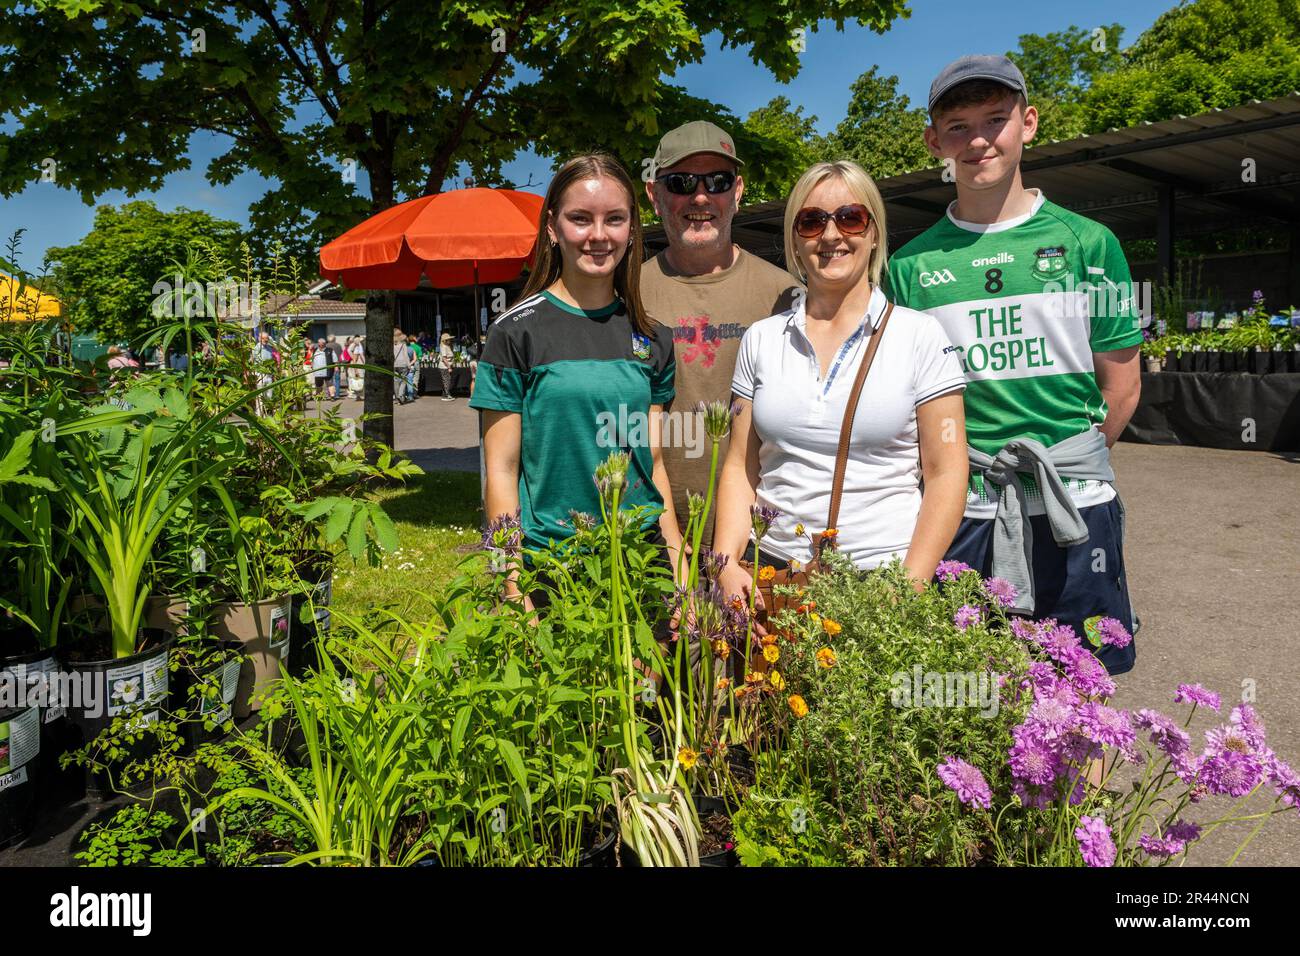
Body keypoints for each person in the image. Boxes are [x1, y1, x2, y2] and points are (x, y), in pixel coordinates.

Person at [886, 55, 1143, 675]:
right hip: (966, 511)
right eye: (957, 126)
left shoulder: (1090, 243)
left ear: (1027, 123)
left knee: (1084, 700)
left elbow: (1123, 387)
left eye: (995, 119)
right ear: (933, 141)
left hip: (1074, 506)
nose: (978, 139)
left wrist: (1056, 467)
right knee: (970, 693)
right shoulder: (909, 266)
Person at [713, 160, 968, 606]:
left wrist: (912, 581)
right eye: (811, 222)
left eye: (851, 217)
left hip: (883, 579)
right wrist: (726, 562)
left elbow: (947, 473)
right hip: (772, 572)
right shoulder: (762, 338)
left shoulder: (919, 336)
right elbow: (740, 465)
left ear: (873, 233)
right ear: (795, 239)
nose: (831, 235)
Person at [471, 153, 679, 611]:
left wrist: (678, 568)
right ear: (552, 227)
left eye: (615, 219)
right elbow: (502, 473)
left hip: (642, 562)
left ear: (632, 230)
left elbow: (654, 464)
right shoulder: (514, 333)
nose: (598, 235)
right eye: (580, 219)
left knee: (649, 685)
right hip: (552, 565)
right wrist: (512, 586)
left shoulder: (654, 338)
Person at [640, 120, 802, 552]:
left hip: (762, 539)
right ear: (654, 195)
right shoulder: (628, 295)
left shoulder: (784, 295)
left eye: (717, 181)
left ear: (738, 190)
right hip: (649, 540)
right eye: (681, 182)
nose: (700, 196)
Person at [392, 330, 412, 404]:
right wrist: (409, 365)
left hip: (395, 365)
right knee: (403, 380)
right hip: (403, 364)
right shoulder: (403, 344)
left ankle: (397, 398)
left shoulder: (393, 344)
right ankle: (400, 395)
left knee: (396, 381)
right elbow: (406, 356)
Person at [438, 332, 455, 401]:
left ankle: (445, 394)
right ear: (445, 340)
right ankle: (446, 395)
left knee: (446, 380)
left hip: (446, 366)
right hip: (444, 366)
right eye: (448, 339)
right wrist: (449, 367)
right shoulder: (443, 347)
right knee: (446, 380)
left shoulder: (447, 346)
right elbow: (444, 358)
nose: (450, 340)